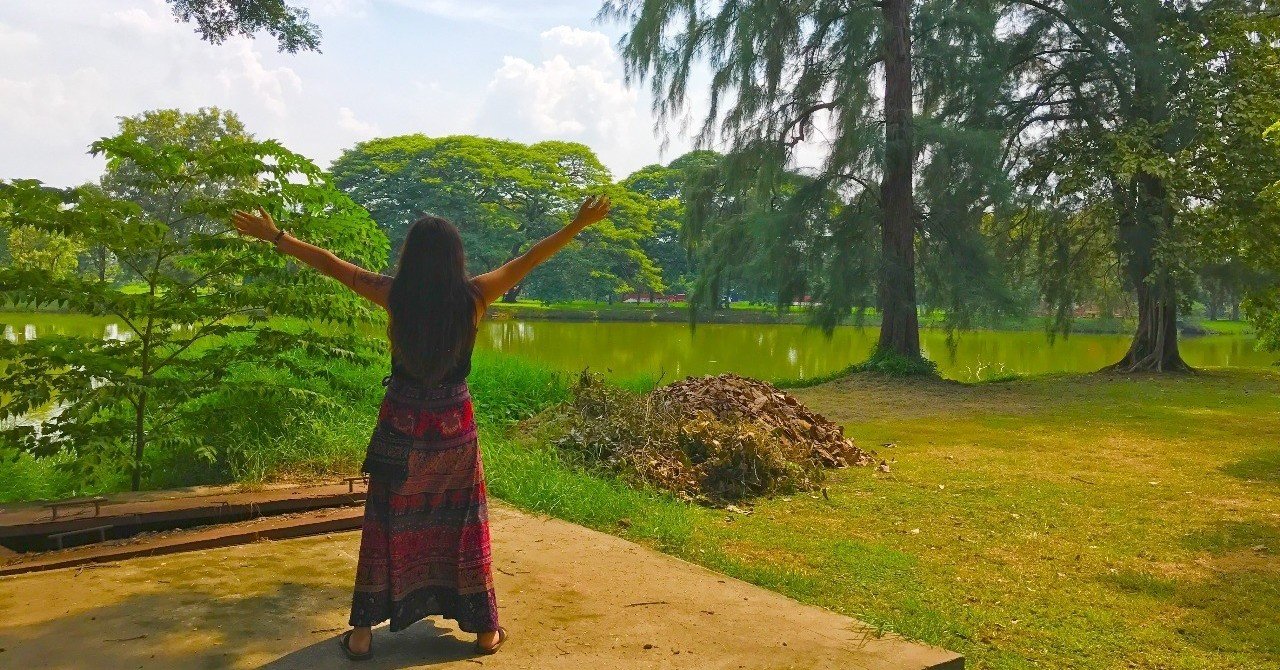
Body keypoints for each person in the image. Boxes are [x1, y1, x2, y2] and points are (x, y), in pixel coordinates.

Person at [231, 195, 612, 660]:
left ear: (410, 256)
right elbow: (530, 258)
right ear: (456, 257)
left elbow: (331, 264)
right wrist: (577, 224)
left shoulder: (394, 294)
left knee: (385, 520)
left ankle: (363, 634)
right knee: (463, 520)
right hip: (455, 431)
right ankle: (485, 631)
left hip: (402, 424)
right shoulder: (475, 296)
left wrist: (276, 236)